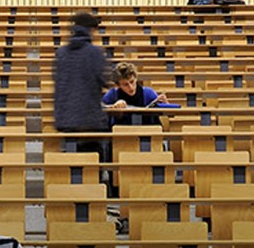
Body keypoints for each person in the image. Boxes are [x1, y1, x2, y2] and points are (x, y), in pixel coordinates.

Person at [52, 12, 112, 156]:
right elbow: (105, 79)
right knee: (93, 159)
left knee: (71, 160)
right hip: (90, 118)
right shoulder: (95, 53)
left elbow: (57, 81)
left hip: (66, 118)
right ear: (90, 29)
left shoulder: (61, 53)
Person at [102, 62, 177, 125]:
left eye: (132, 82)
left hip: (147, 131)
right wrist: (113, 107)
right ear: (118, 85)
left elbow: (171, 115)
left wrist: (166, 104)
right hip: (121, 133)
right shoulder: (113, 94)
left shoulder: (148, 93)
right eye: (125, 84)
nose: (131, 87)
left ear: (136, 78)